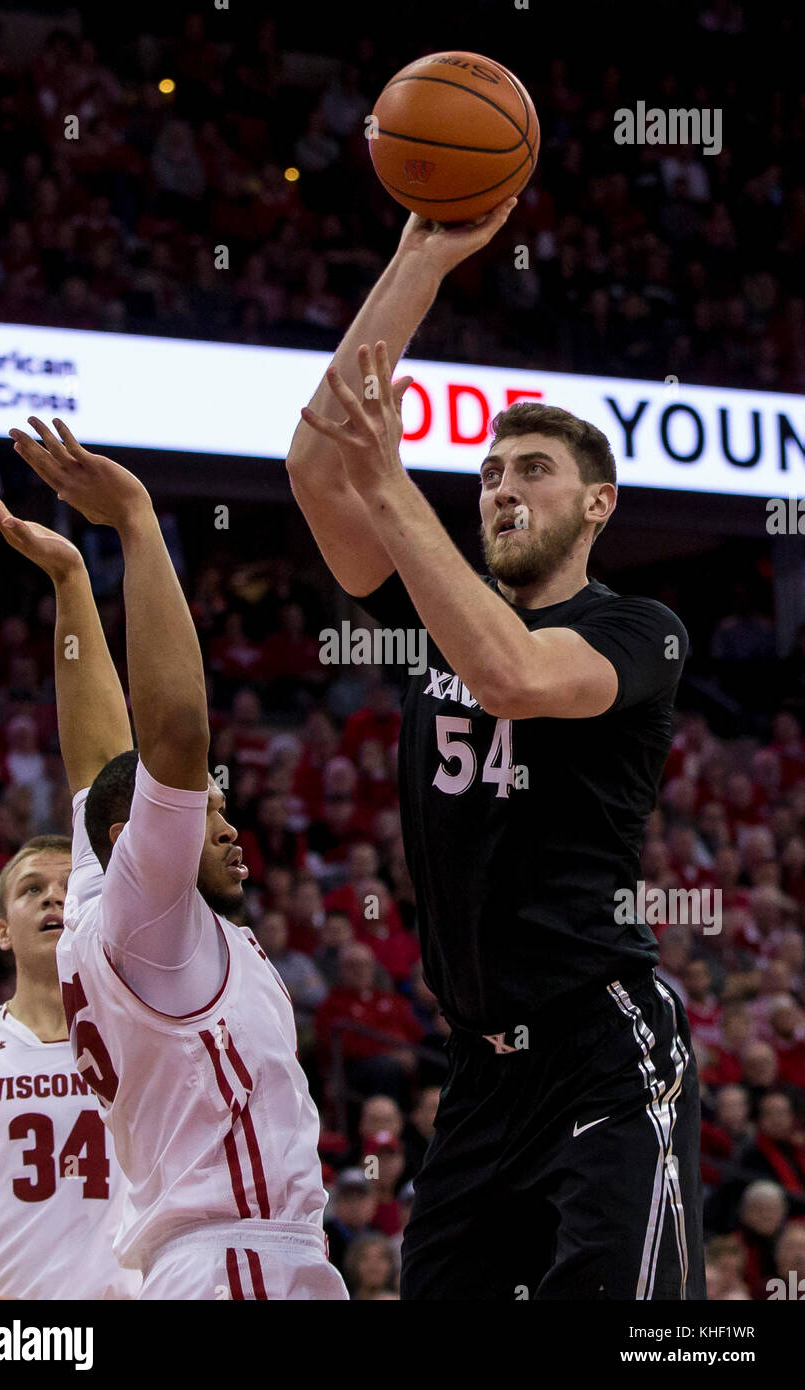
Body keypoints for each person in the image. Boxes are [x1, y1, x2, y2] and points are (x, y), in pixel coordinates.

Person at [287, 199, 705, 1300]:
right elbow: (314, 474)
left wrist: (391, 483)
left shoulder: (637, 629)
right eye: (486, 475)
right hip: (477, 1065)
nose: (501, 489)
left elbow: (510, 672)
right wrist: (415, 258)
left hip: (601, 1046)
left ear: (596, 504)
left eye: (529, 471)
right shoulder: (443, 599)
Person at [0, 420, 347, 1302]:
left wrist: (71, 580)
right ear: (142, 841)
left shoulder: (107, 903)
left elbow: (95, 768)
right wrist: (139, 524)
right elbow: (174, 737)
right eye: (206, 811)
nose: (226, 827)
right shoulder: (154, 916)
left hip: (202, 1263)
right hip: (241, 1261)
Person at [0, 836, 138, 1299]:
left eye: (71, 886)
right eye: (32, 888)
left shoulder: (145, 1043)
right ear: (2, 932)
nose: (54, 896)